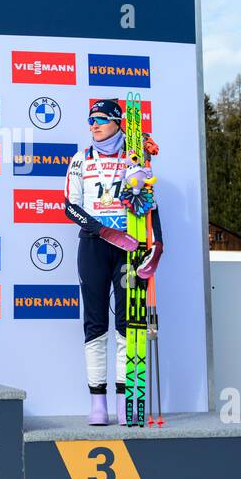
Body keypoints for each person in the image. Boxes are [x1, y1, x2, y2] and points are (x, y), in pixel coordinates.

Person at [63, 99, 162, 425]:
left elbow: (149, 204)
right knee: (94, 325)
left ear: (119, 122)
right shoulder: (80, 159)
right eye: (90, 119)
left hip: (129, 248)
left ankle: (124, 401)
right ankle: (97, 403)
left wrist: (156, 244)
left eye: (101, 119)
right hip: (93, 246)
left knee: (126, 325)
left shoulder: (135, 158)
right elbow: (70, 206)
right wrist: (102, 230)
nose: (93, 124)